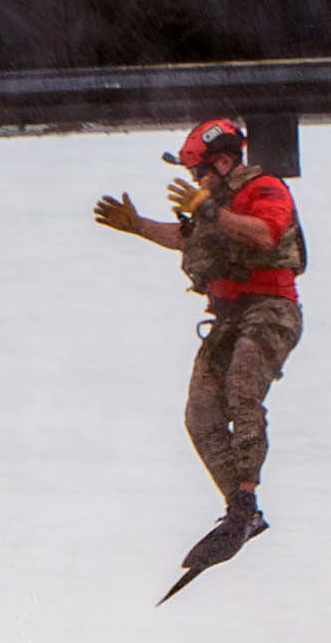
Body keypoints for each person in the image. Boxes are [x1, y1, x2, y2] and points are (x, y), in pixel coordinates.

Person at [91, 117, 304, 597]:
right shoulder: (210, 205)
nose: (194, 184)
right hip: (229, 318)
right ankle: (239, 512)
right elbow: (188, 238)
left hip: (270, 309)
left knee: (242, 392)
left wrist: (212, 212)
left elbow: (265, 234)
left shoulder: (264, 189)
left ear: (224, 162)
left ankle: (245, 502)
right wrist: (138, 226)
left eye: (199, 173)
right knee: (201, 415)